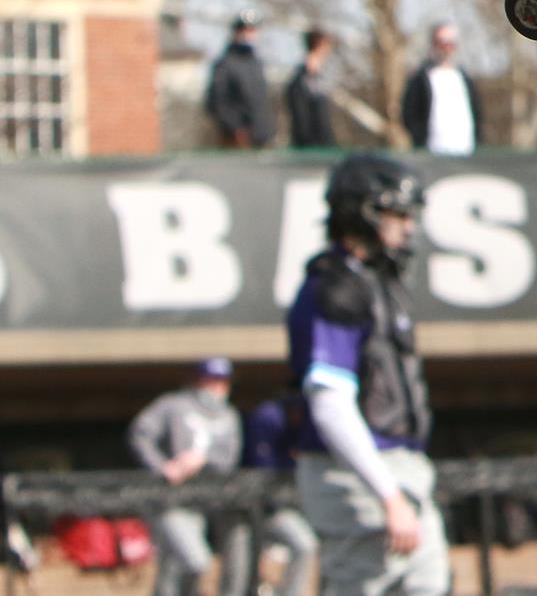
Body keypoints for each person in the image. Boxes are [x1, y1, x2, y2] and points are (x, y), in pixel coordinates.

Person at [285, 153, 448, 594]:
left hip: (399, 469)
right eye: (396, 212)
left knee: (429, 583)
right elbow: (330, 405)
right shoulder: (336, 286)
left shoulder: (378, 282)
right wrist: (387, 493)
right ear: (362, 210)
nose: (407, 226)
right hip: (357, 475)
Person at [128, 357, 249, 596]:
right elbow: (140, 433)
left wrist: (203, 459)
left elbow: (230, 459)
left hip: (204, 504)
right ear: (198, 379)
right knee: (195, 561)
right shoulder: (173, 404)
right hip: (169, 499)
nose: (218, 386)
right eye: (212, 379)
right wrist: (162, 467)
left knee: (174, 567)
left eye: (224, 381)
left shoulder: (228, 415)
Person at [241, 393, 320, 596]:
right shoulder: (268, 418)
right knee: (304, 545)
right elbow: (264, 474)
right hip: (258, 507)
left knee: (307, 546)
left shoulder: (299, 431)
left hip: (292, 506)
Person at [399, 23, 481, 155]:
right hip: (432, 152)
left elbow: (477, 112)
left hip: (466, 151)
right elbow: (409, 113)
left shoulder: (464, 77)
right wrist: (420, 138)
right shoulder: (420, 78)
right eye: (441, 42)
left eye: (449, 43)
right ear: (433, 43)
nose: (445, 47)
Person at [205, 12, 276, 149]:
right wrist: (235, 127)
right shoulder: (225, 64)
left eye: (252, 30)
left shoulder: (256, 63)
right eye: (245, 30)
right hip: (237, 140)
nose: (249, 35)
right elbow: (216, 102)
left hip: (261, 137)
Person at [286, 27, 338, 149]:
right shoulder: (302, 80)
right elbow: (301, 117)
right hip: (309, 144)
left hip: (324, 142)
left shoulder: (320, 76)